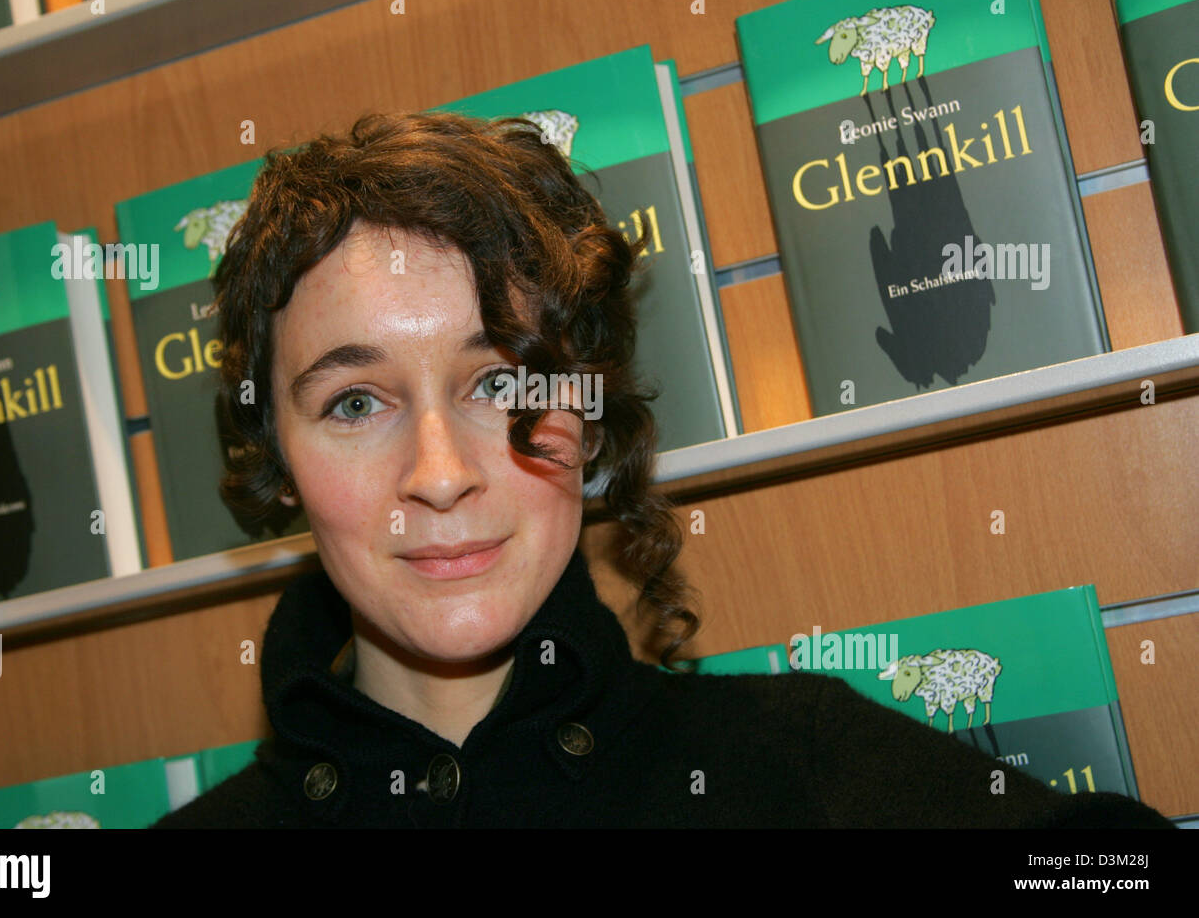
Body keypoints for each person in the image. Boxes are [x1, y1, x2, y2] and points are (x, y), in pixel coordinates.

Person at [152, 111, 1173, 828]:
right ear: (276, 459)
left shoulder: (797, 767)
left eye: (502, 383)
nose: (440, 472)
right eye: (355, 402)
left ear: (588, 416)